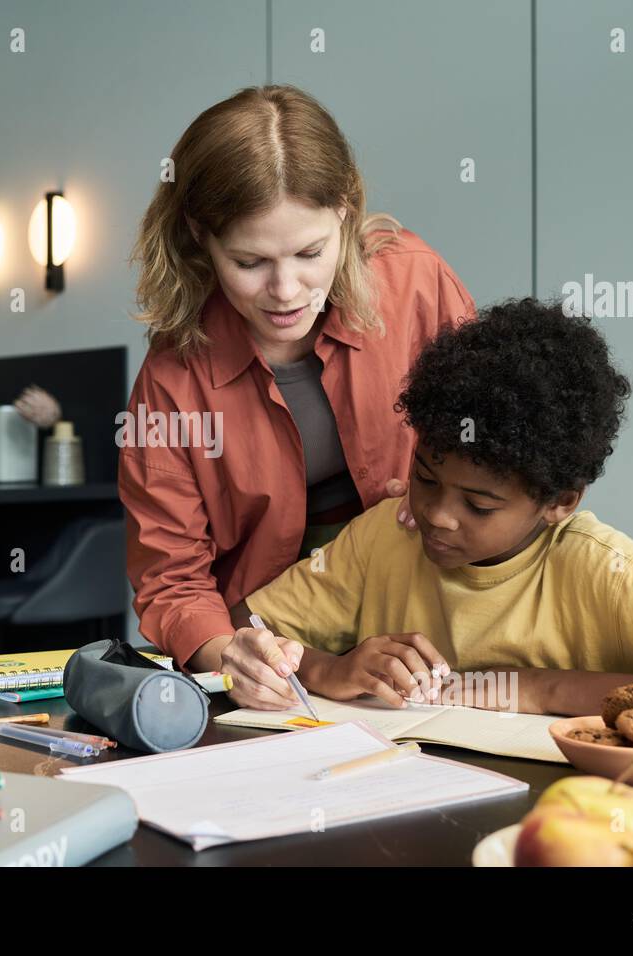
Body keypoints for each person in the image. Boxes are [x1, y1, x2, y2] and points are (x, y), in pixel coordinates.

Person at [234, 298, 633, 753]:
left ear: (559, 501)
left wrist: (541, 689)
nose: (438, 514)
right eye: (427, 476)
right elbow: (245, 628)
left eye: (480, 506)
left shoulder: (602, 571)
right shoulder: (386, 533)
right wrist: (327, 670)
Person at [120, 85, 474, 706]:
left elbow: (500, 449)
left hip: (433, 616)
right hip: (273, 648)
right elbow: (171, 581)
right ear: (203, 237)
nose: (286, 290)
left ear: (345, 211)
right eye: (250, 262)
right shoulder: (173, 376)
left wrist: (440, 494)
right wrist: (231, 654)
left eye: (311, 253)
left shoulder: (416, 283)